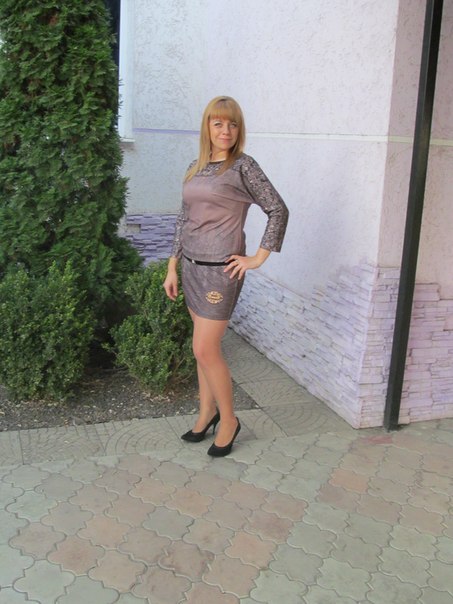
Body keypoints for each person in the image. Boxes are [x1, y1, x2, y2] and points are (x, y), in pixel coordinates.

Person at [163, 96, 288, 457]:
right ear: (207, 126)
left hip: (220, 271)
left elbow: (278, 209)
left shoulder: (243, 167)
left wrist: (258, 258)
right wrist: (172, 265)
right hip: (191, 267)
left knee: (204, 348)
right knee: (203, 352)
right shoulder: (196, 167)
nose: (226, 130)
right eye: (218, 123)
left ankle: (230, 420)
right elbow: (184, 217)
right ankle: (207, 413)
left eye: (232, 124)